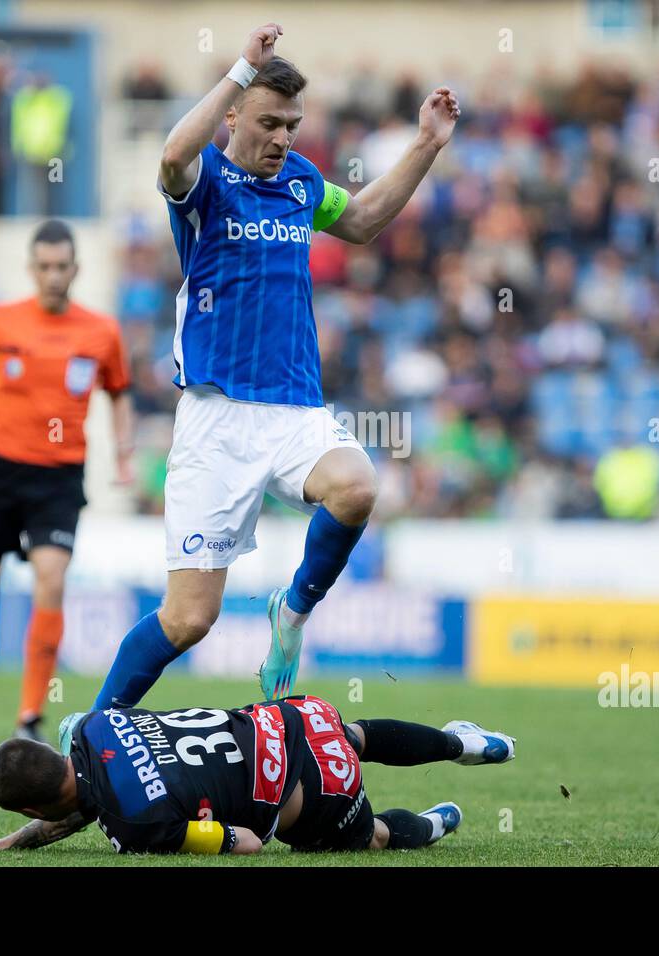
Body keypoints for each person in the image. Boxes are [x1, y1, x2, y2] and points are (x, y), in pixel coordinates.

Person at [96, 22, 462, 712]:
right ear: (233, 114)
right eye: (269, 123)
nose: (283, 139)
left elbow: (361, 221)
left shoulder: (299, 181)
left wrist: (424, 147)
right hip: (216, 419)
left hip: (295, 410)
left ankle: (291, 613)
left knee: (357, 487)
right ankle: (93, 733)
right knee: (188, 620)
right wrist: (240, 66)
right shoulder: (205, 180)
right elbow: (173, 154)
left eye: (292, 125)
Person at [0, 220, 134, 740]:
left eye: (63, 267)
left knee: (52, 579)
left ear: (75, 269)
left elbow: (119, 392)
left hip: (58, 478)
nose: (54, 276)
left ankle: (29, 718)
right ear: (31, 269)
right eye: (45, 267)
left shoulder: (102, 332)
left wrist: (124, 450)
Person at [0, 695, 515, 856]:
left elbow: (242, 844)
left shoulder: (138, 825)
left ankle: (434, 826)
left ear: (32, 809)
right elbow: (92, 790)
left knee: (372, 838)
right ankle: (462, 742)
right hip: (289, 717)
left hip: (313, 795)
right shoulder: (94, 727)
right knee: (356, 734)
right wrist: (11, 842)